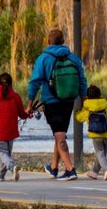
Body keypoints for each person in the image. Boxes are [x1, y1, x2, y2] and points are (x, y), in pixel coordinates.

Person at [26, 28, 87, 181]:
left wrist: (29, 104)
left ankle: (70, 169)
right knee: (59, 133)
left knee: (59, 136)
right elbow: (82, 80)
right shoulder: (74, 58)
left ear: (48, 41)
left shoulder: (44, 59)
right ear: (63, 41)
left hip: (52, 101)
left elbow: (34, 83)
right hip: (68, 101)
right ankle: (54, 167)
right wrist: (84, 100)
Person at [0, 72, 29, 181]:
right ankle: (0, 174)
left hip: (0, 131)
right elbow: (22, 114)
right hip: (11, 130)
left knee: (2, 153)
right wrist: (28, 113)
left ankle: (12, 166)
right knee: (7, 154)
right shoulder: (15, 97)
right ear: (11, 84)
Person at [75, 85, 107, 180]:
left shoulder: (88, 108)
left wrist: (77, 111)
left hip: (96, 135)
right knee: (101, 154)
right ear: (100, 95)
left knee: (100, 153)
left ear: (87, 97)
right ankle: (94, 172)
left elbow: (79, 118)